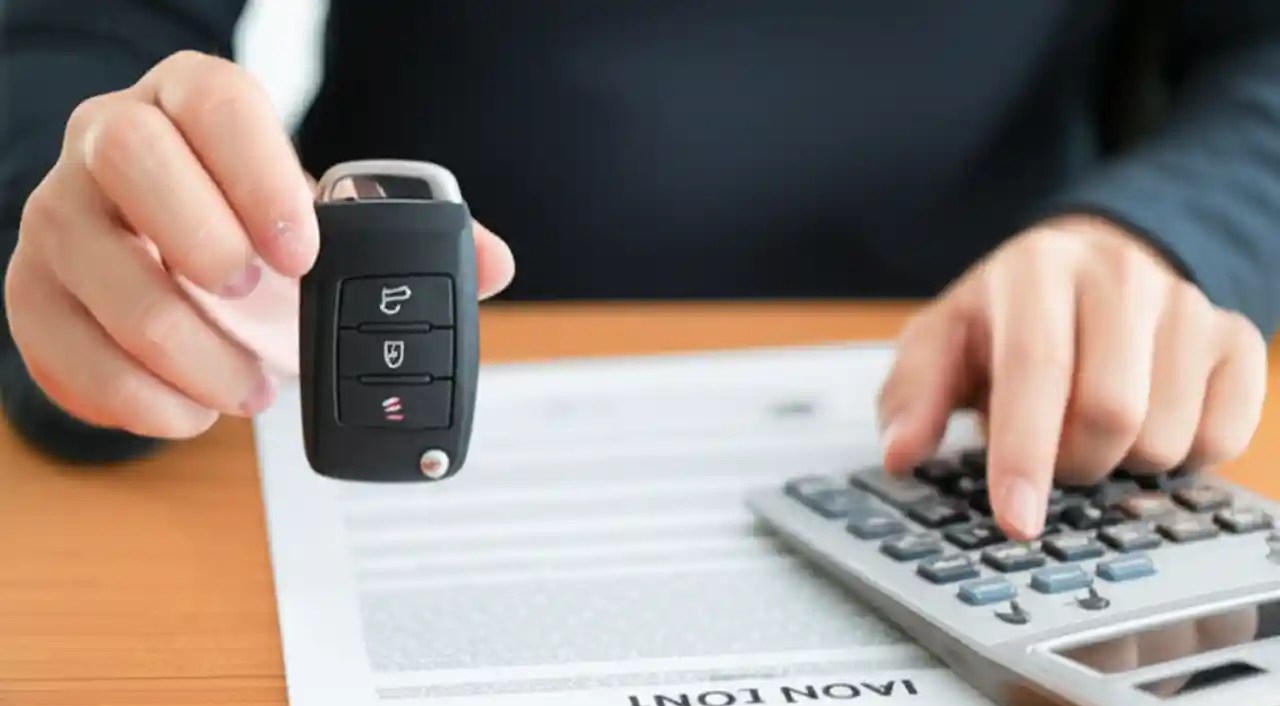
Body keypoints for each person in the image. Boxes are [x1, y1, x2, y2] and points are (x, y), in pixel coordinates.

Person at [0, 1, 1277, 546]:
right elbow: (79, 36)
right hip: (290, 375)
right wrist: (78, 230)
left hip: (990, 385)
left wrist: (1162, 235)